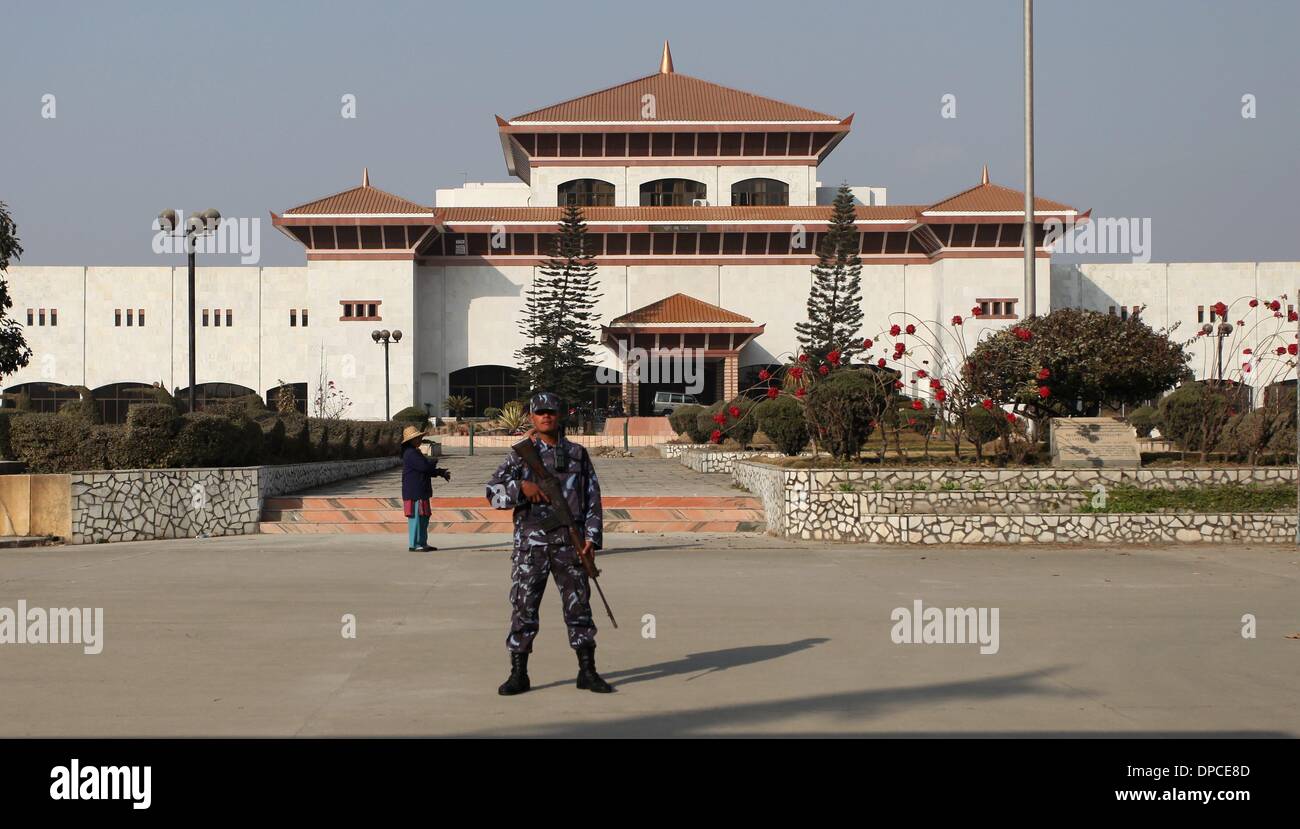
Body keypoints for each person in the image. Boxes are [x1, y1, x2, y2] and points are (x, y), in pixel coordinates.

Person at [485, 391, 612, 695]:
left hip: (570, 545)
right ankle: (519, 674)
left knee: (579, 607)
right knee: (524, 608)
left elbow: (592, 498)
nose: (546, 416)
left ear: (560, 415)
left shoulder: (578, 454)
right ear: (531, 417)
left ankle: (587, 671)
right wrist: (521, 488)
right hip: (531, 546)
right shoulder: (520, 454)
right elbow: (493, 492)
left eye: (551, 412)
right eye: (540, 412)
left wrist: (591, 539)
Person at [400, 424, 451, 552]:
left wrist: (440, 472)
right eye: (417, 438)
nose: (419, 440)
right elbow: (424, 467)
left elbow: (426, 470)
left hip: (421, 491)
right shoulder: (410, 453)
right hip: (414, 492)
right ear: (410, 441)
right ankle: (415, 544)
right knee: (416, 518)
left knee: (423, 518)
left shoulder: (415, 452)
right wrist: (433, 461)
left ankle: (422, 542)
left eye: (419, 437)